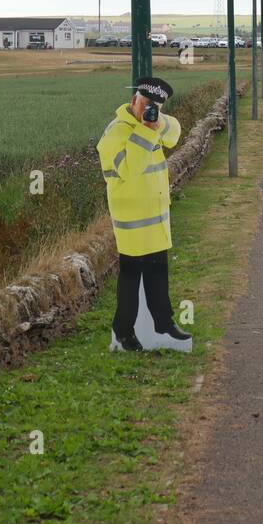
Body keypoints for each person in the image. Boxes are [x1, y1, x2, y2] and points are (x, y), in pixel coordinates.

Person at [96, 76, 192, 352]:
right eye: (145, 105)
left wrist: (158, 122)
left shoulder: (152, 122)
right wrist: (149, 132)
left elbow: (173, 134)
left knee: (158, 270)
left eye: (155, 107)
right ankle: (123, 330)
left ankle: (163, 321)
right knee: (131, 276)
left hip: (156, 215)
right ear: (133, 101)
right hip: (131, 220)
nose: (148, 111)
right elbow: (129, 170)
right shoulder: (115, 133)